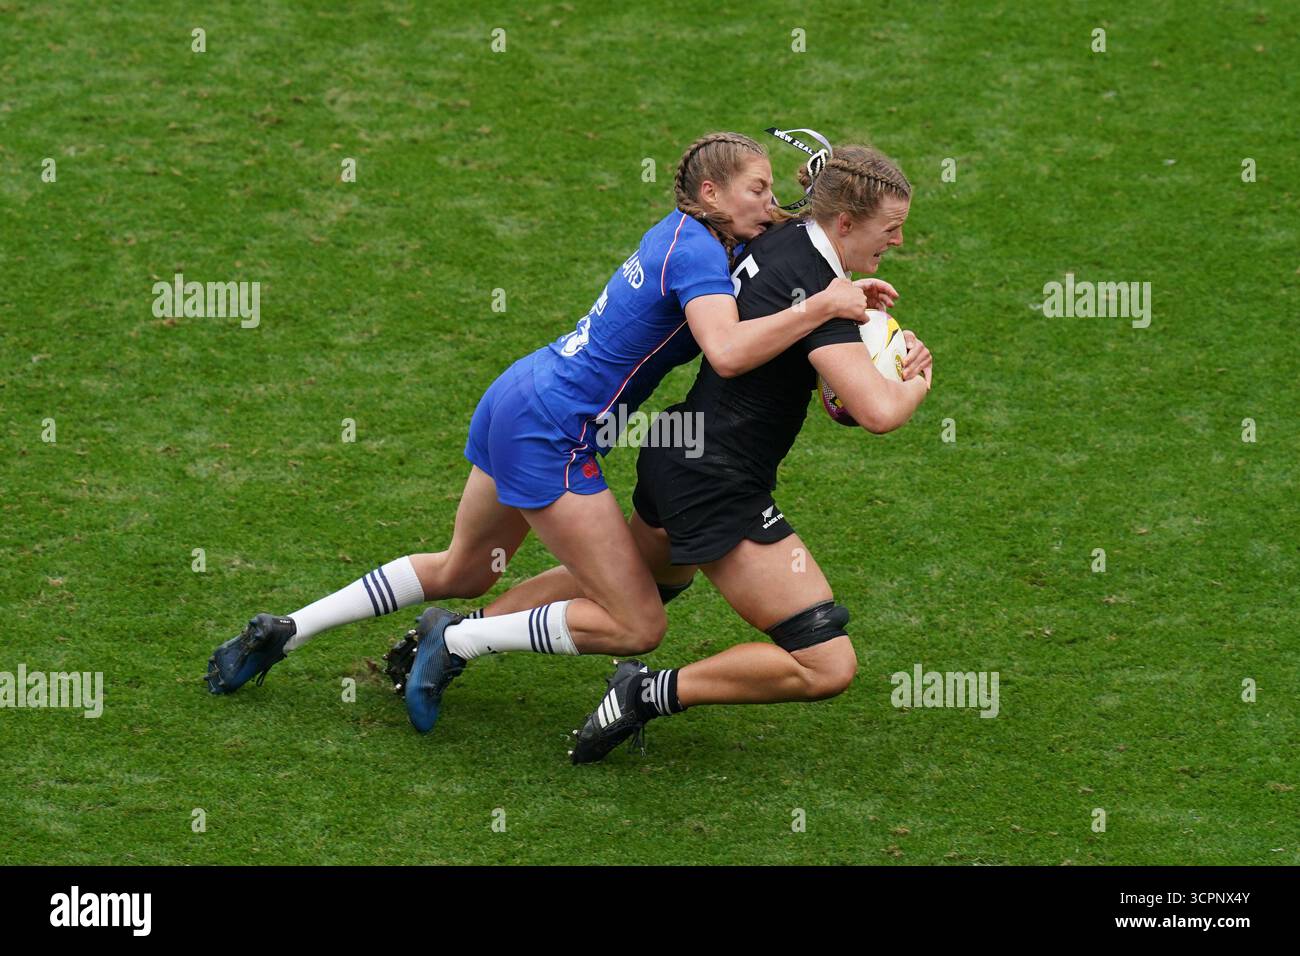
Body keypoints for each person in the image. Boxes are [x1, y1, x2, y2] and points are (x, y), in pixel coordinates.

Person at [204, 132, 889, 738]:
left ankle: (289, 628)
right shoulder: (701, 261)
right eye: (757, 190)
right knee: (637, 624)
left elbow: (773, 287)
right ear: (710, 192)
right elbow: (730, 354)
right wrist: (829, 303)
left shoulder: (678, 232)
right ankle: (462, 640)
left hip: (519, 392)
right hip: (555, 434)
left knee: (464, 568)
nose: (771, 206)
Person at [439, 144, 929, 761]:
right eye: (893, 229)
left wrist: (860, 362)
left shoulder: (777, 242)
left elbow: (825, 389)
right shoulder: (821, 290)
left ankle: (458, 631)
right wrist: (914, 380)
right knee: (824, 662)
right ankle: (646, 693)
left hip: (678, 448)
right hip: (718, 480)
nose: (901, 242)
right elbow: (877, 413)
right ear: (847, 222)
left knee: (631, 582)